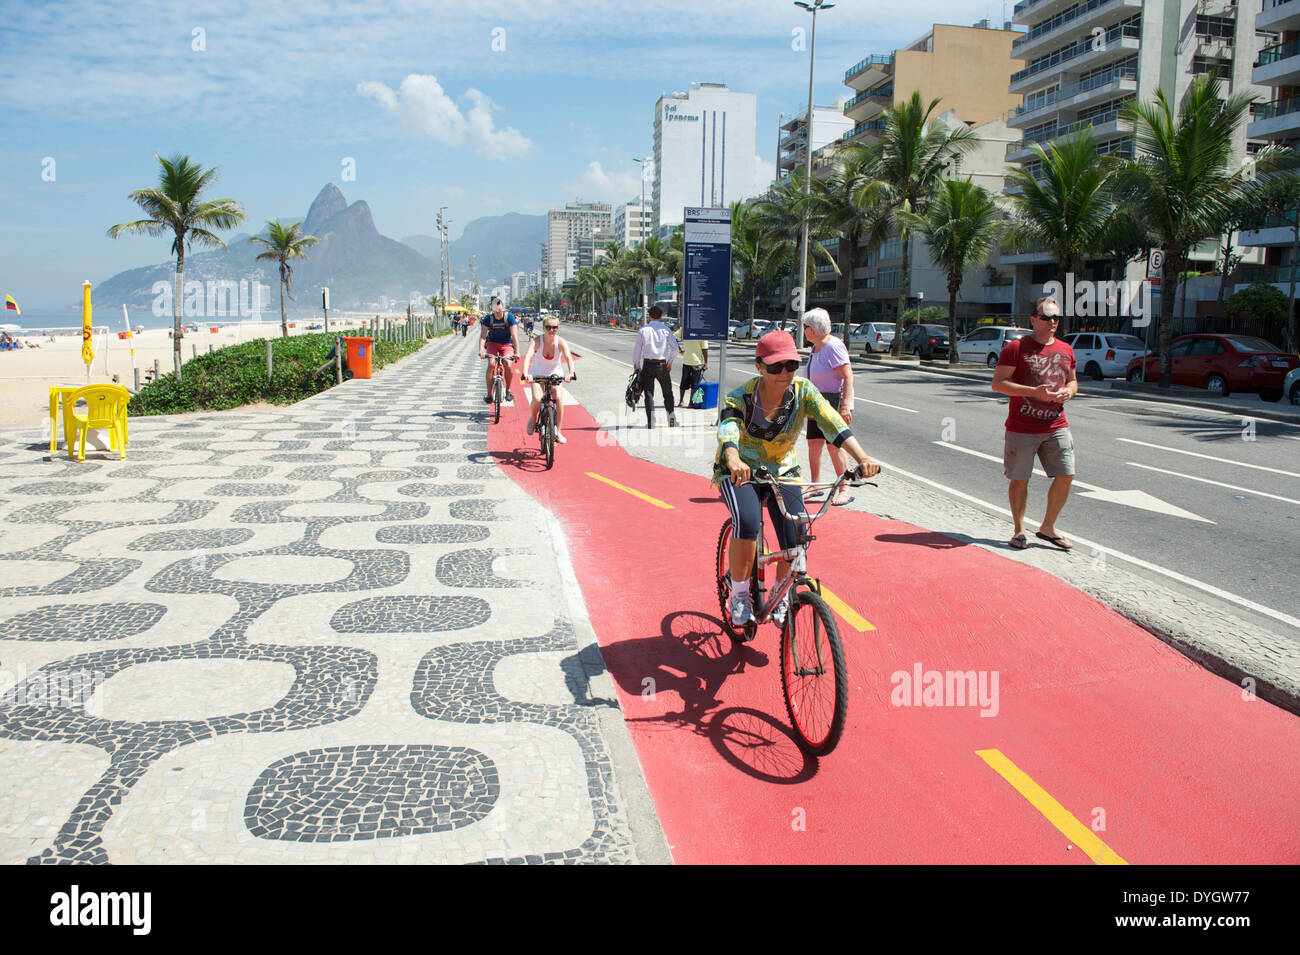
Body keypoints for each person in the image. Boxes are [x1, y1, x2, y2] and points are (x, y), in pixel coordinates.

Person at [714, 330, 880, 629]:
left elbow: (833, 423)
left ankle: (780, 592)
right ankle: (739, 595)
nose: (784, 373)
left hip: (783, 472)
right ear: (759, 367)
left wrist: (863, 458)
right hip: (741, 470)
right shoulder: (741, 396)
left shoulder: (804, 391)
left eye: (790, 365)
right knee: (749, 523)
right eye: (775, 367)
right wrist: (733, 457)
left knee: (796, 535)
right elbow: (728, 428)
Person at [991, 296, 1078, 551]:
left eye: (1056, 317)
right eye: (1046, 317)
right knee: (1020, 479)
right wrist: (1033, 392)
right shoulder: (1016, 348)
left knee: (1066, 474)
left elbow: (1073, 381)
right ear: (1033, 319)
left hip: (1056, 424)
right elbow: (998, 383)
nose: (1052, 321)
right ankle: (1019, 530)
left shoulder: (1065, 349)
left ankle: (1048, 527)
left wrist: (1069, 392)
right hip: (1022, 427)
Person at [800, 308, 855, 506]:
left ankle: (845, 488)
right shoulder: (817, 347)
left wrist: (845, 406)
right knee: (814, 443)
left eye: (805, 326)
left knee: (835, 446)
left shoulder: (833, 346)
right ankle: (815, 485)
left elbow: (848, 376)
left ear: (812, 329)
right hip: (817, 401)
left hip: (833, 400)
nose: (803, 330)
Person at [521, 317, 576, 443]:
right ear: (543, 328)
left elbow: (568, 357)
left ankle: (559, 431)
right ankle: (533, 419)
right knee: (537, 398)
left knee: (559, 398)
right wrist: (525, 373)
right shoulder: (537, 341)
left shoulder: (560, 342)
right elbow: (528, 355)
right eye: (548, 327)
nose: (552, 330)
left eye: (555, 327)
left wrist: (571, 373)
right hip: (537, 373)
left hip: (555, 373)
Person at [631, 305, 682, 428]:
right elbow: (675, 348)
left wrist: (636, 365)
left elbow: (637, 350)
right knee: (668, 393)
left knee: (648, 393)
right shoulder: (666, 329)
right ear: (661, 316)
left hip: (648, 364)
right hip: (662, 364)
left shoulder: (643, 330)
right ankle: (671, 421)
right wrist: (669, 362)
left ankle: (651, 422)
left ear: (650, 316)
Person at [478, 299, 521, 403]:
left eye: (499, 308)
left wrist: (517, 352)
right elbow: (483, 336)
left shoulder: (509, 317)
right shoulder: (488, 318)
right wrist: (481, 351)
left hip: (507, 343)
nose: (497, 311)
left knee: (508, 363)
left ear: (503, 308)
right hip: (492, 343)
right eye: (495, 309)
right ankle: (489, 394)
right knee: (492, 364)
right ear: (492, 309)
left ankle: (508, 390)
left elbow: (514, 335)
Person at [675, 326, 709, 410]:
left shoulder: (684, 328)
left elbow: (673, 337)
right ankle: (691, 403)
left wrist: (680, 350)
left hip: (686, 360)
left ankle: (681, 401)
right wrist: (706, 363)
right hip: (697, 362)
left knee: (684, 381)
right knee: (695, 384)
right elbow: (704, 348)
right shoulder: (701, 330)